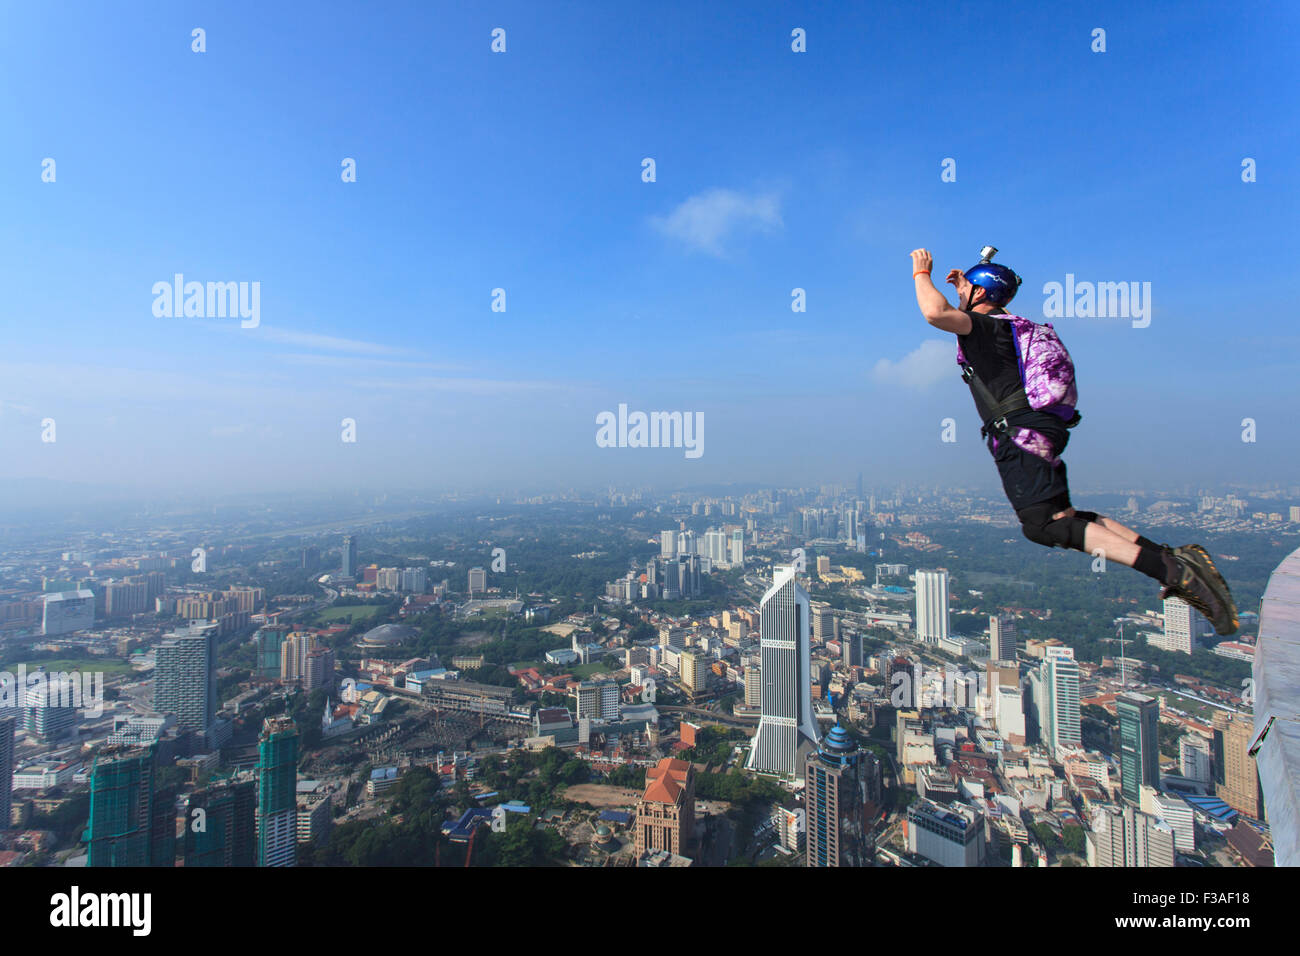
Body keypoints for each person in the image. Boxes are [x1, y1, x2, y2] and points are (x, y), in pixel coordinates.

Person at [909, 246, 1237, 635]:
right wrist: (971, 286)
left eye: (967, 293)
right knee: (1065, 517)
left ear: (981, 296)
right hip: (1042, 429)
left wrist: (921, 274)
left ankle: (1174, 571)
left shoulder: (988, 329)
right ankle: (1169, 557)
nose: (960, 297)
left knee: (1043, 525)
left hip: (1019, 434)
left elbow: (936, 313)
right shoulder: (1014, 328)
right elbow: (970, 323)